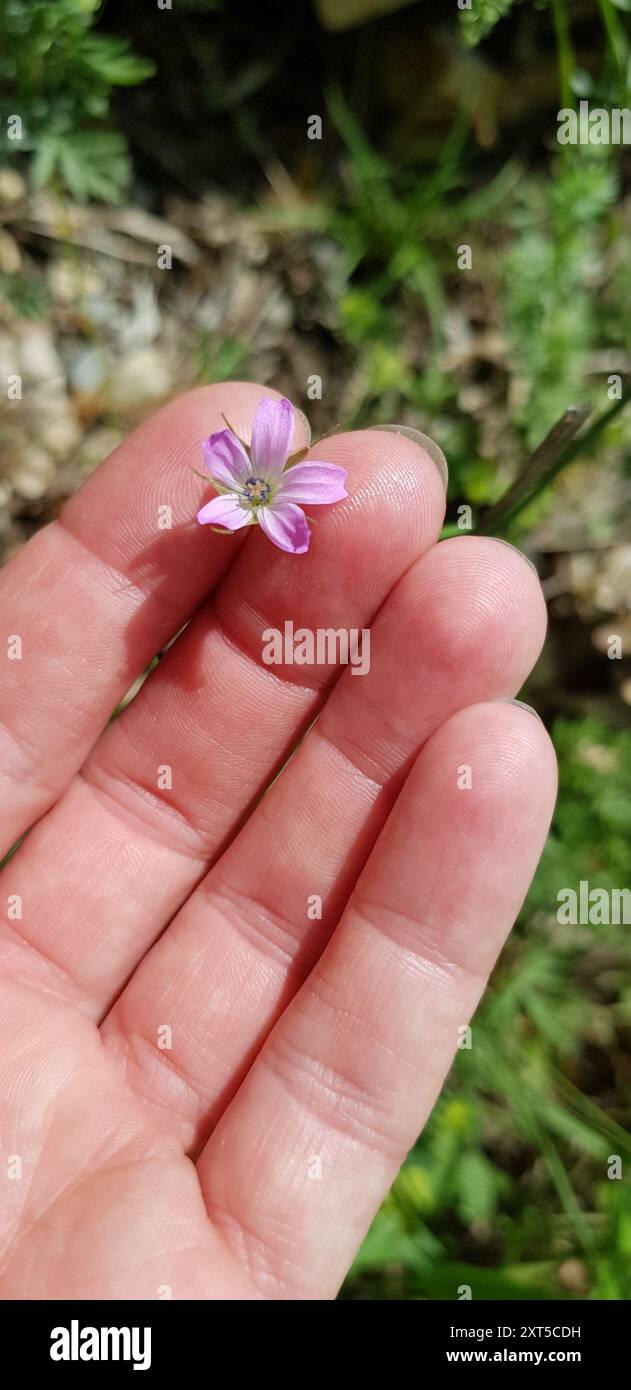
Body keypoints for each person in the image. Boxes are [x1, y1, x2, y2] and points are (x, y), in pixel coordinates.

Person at [0, 383, 556, 1300]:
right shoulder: (259, 504)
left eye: (261, 491)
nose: (256, 500)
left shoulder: (285, 506)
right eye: (247, 491)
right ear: (241, 484)